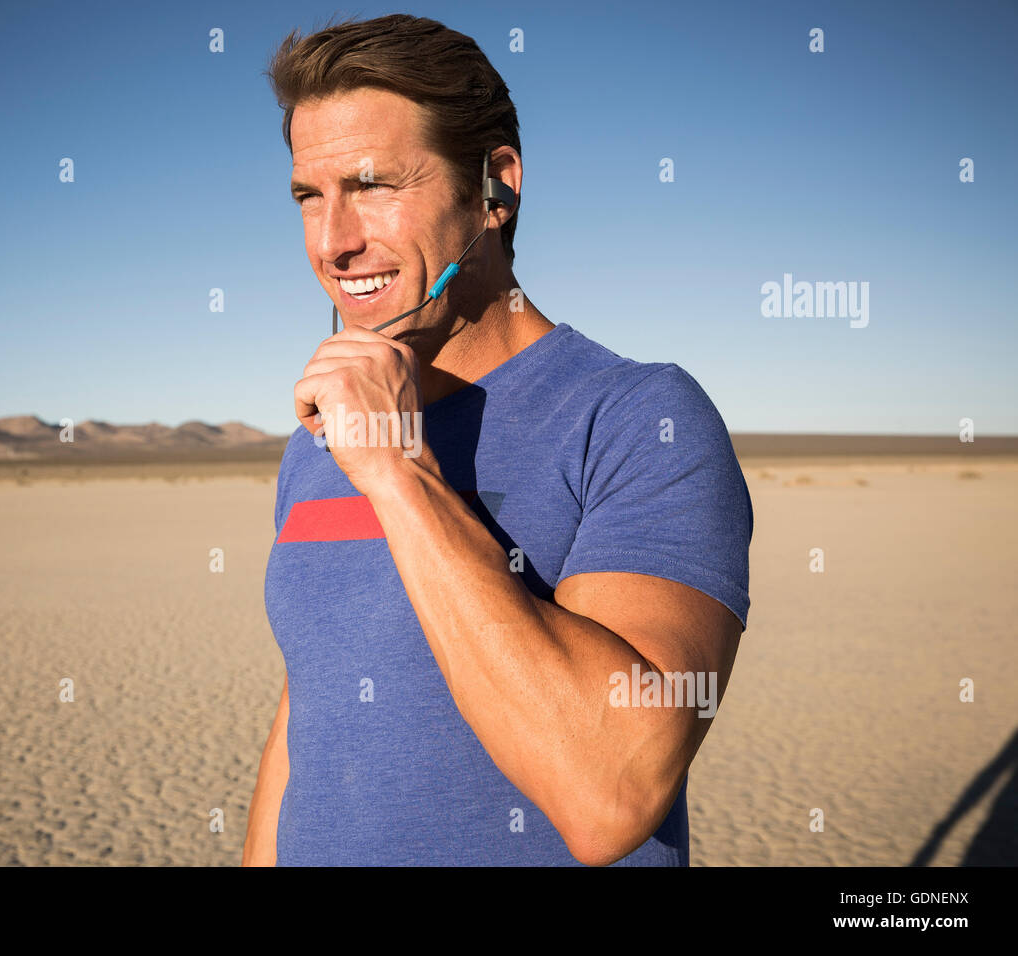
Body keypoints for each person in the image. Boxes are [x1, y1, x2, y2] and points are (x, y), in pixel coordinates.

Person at [243, 13, 752, 866]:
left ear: (495, 189)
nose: (333, 241)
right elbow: (309, 712)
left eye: (372, 185)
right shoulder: (321, 439)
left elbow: (612, 792)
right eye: (308, 196)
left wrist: (399, 472)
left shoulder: (638, 420)